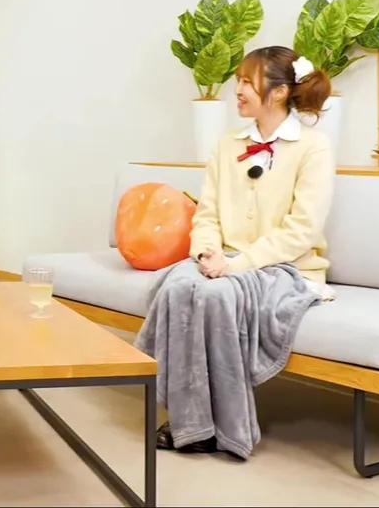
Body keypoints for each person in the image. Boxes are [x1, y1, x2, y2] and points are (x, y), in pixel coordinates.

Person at [136, 45, 335, 459]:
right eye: (239, 81)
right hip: (222, 259)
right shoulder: (227, 144)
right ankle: (193, 421)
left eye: (247, 82)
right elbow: (206, 213)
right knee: (177, 286)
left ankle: (224, 428)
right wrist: (207, 254)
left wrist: (235, 264)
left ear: (278, 92)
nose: (238, 90)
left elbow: (301, 231)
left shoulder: (314, 148)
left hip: (285, 268)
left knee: (215, 295)